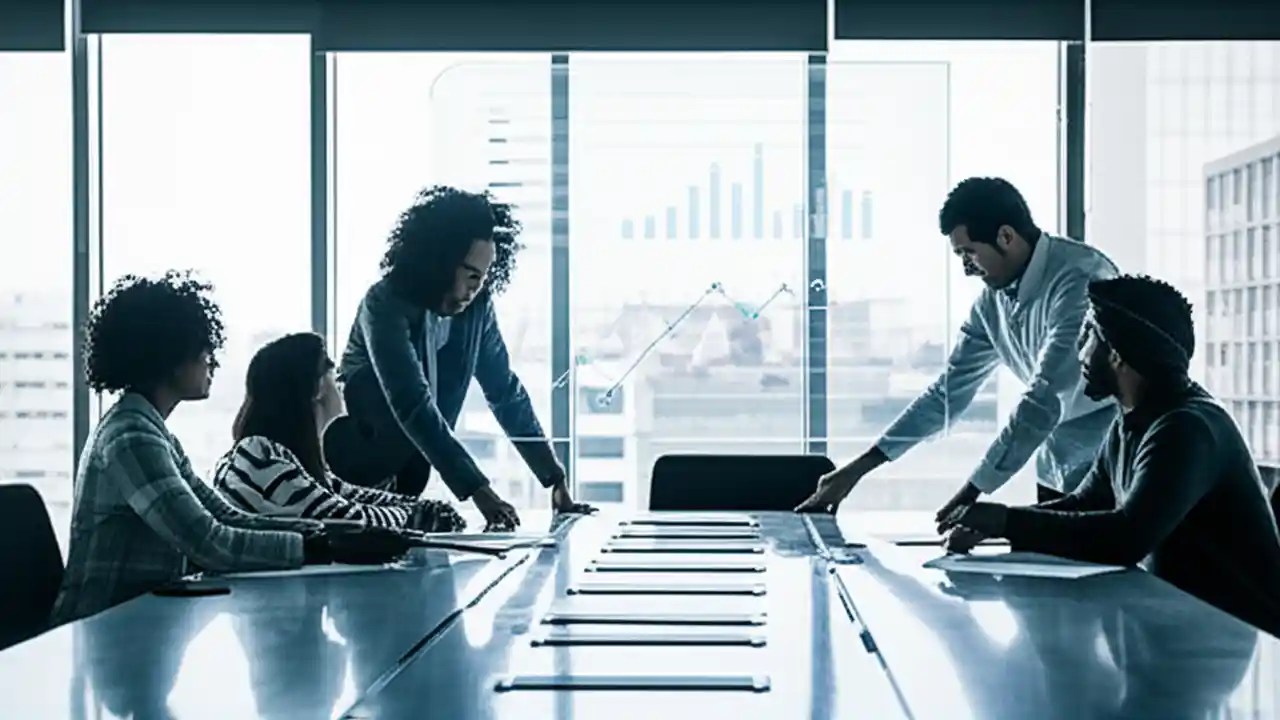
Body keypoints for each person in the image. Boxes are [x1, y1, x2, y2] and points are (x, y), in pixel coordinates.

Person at [942, 274, 1280, 637]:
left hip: (1244, 644)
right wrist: (996, 526)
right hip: (1189, 628)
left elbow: (1125, 537)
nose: (1079, 351)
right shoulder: (1132, 420)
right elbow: (1086, 502)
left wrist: (1006, 522)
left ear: (1118, 354)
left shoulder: (1186, 429)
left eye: (1088, 336)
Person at [797, 177, 1119, 523]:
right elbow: (946, 395)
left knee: (1105, 570)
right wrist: (857, 469)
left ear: (1006, 237)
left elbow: (1044, 400)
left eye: (969, 252)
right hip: (1055, 467)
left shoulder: (1080, 279)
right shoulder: (992, 302)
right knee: (1055, 568)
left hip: (1110, 465)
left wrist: (970, 495)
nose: (966, 268)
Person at [51, 272, 343, 625]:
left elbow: (225, 516)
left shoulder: (154, 433)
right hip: (104, 630)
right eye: (202, 348)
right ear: (169, 355)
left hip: (140, 624)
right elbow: (208, 542)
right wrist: (318, 547)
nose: (211, 360)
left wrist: (320, 533)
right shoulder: (131, 437)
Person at [327, 186, 593, 529]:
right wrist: (480, 492)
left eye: (482, 279)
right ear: (439, 262)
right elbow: (412, 402)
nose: (476, 289)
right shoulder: (384, 304)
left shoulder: (476, 310)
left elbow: (505, 392)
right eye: (470, 276)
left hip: (408, 481)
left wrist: (554, 478)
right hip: (349, 473)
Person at [212, 332, 466, 533]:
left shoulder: (284, 459)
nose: (341, 385)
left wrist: (422, 508)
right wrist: (418, 515)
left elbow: (351, 496)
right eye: (333, 374)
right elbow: (348, 520)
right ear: (317, 387)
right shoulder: (260, 456)